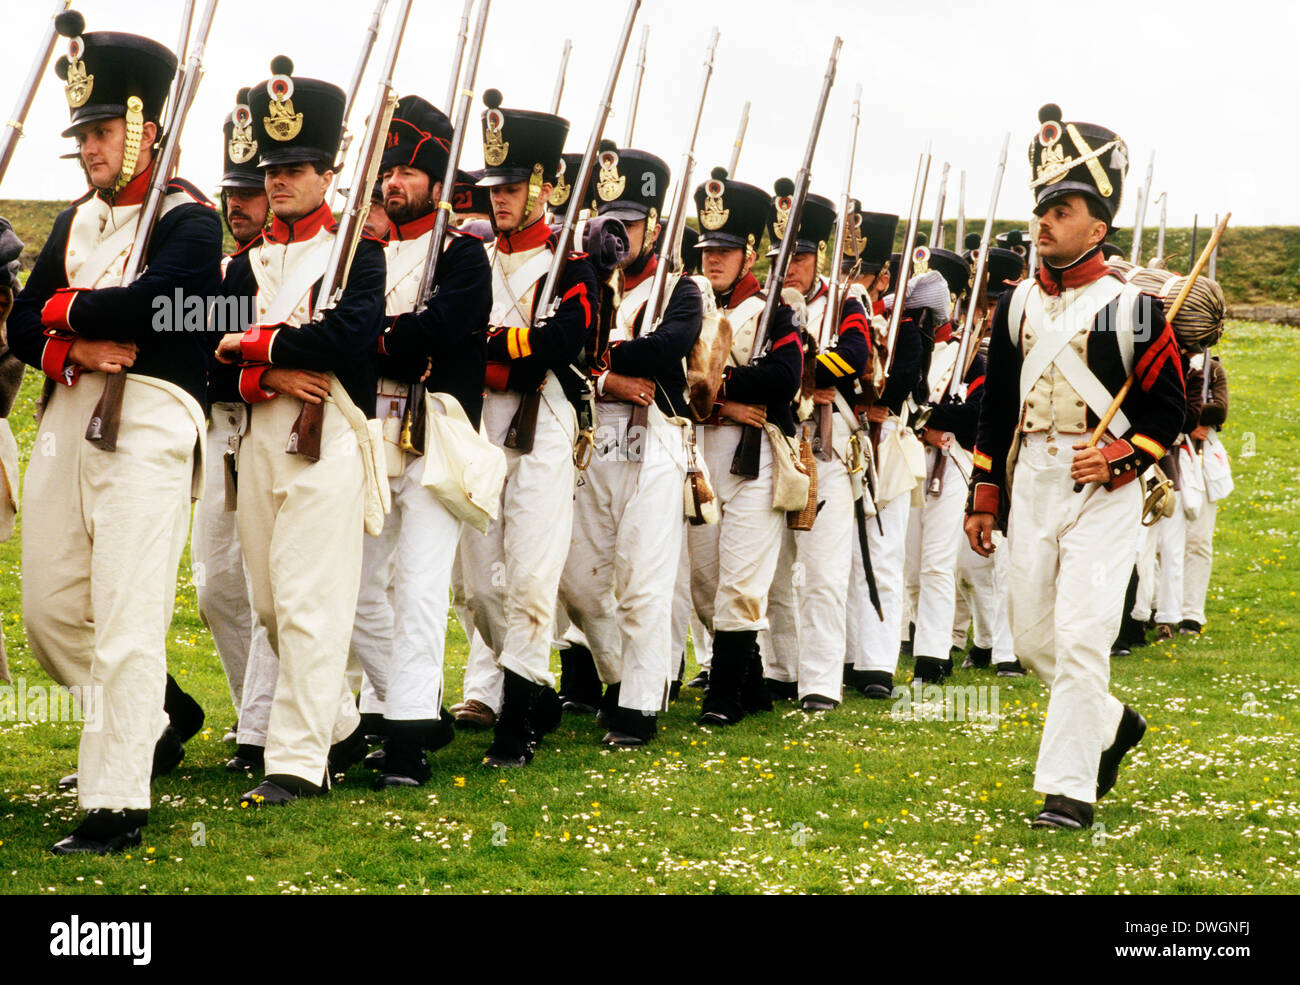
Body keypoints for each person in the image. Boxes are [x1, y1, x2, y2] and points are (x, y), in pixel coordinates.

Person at [7, 19, 221, 853]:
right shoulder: (74, 222)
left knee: (128, 614)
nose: (89, 148)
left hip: (153, 418)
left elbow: (152, 307)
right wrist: (73, 338)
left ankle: (117, 798)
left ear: (144, 128)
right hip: (70, 411)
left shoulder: (191, 221)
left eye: (100, 130)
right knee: (50, 610)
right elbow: (23, 322)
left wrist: (63, 313)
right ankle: (158, 716)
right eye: (85, 133)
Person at [965, 104, 1186, 829]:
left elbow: (1167, 415)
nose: (1045, 222)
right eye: (1042, 209)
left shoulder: (1138, 309)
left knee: (1084, 634)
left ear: (1099, 225)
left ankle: (1068, 790)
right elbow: (996, 407)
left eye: (1062, 209)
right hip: (1032, 481)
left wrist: (1121, 455)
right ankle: (1114, 723)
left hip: (1105, 489)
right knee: (1031, 641)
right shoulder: (1016, 303)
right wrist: (985, 493)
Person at [212, 57, 387, 806]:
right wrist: (268, 368)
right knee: (273, 606)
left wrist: (252, 343)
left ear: (327, 173)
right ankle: (342, 728)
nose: (279, 179)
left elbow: (349, 341)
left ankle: (295, 762)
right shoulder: (240, 265)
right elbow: (204, 357)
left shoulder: (357, 252)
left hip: (329, 437)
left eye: (297, 166)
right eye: (273, 167)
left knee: (311, 602)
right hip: (259, 435)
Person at [350, 94, 491, 786]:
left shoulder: (464, 256)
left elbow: (431, 334)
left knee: (423, 587)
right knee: (353, 583)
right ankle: (412, 705)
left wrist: (376, 339)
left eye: (406, 173)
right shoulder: (365, 249)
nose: (392, 185)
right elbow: (362, 333)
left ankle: (406, 740)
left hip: (435, 432)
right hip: (370, 430)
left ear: (436, 183)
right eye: (388, 173)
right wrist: (382, 339)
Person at [456, 89, 597, 767]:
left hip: (544, 421)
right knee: (480, 581)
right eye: (494, 186)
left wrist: (497, 346)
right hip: (481, 422)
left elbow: (563, 341)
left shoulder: (572, 260)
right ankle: (532, 688)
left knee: (533, 574)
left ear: (542, 186)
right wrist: (509, 343)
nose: (500, 198)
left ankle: (517, 722)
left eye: (513, 186)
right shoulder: (475, 260)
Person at [556, 144, 702, 745]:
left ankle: (639, 705)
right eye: (610, 223)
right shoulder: (584, 279)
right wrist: (607, 375)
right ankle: (620, 677)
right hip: (595, 437)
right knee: (582, 582)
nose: (619, 236)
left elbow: (666, 346)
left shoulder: (681, 287)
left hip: (656, 441)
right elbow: (563, 346)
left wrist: (598, 358)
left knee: (643, 577)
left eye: (631, 225)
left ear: (655, 228)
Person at [687, 167, 802, 726]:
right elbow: (669, 374)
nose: (713, 259)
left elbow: (785, 376)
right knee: (703, 579)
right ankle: (751, 681)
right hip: (699, 453)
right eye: (708, 247)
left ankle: (725, 693)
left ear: (749, 254)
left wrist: (715, 387)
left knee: (739, 581)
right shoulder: (689, 305)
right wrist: (722, 400)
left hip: (754, 459)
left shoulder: (775, 309)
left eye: (726, 250)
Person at [191, 90, 278, 760]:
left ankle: (263, 726)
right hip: (218, 432)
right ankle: (256, 708)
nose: (238, 204)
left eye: (251, 190)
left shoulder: (289, 268)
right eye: (232, 190)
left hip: (274, 428)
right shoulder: (221, 268)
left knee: (270, 587)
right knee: (217, 588)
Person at [761, 186, 869, 711]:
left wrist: (798, 365)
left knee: (824, 571)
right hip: (772, 441)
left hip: (826, 442)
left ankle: (822, 680)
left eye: (800, 257)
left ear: (817, 257)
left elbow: (854, 356)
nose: (791, 268)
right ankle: (778, 669)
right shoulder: (763, 305)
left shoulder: (845, 300)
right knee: (773, 570)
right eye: (782, 258)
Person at [903, 246, 985, 684]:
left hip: (950, 463)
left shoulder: (968, 353)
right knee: (911, 564)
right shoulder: (906, 342)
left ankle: (932, 658)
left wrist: (925, 420)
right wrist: (922, 421)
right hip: (910, 463)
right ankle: (920, 639)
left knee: (936, 563)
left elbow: (975, 415)